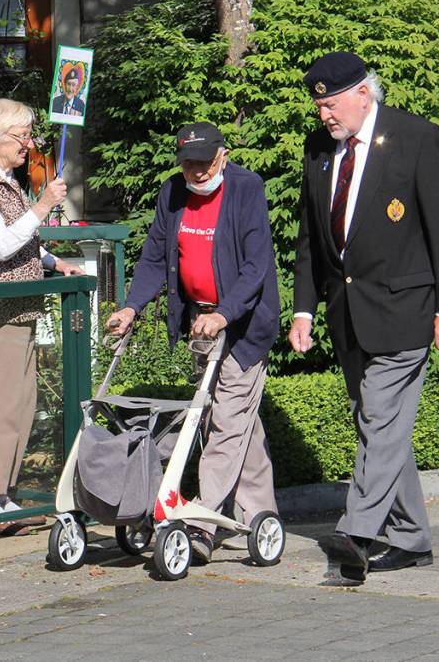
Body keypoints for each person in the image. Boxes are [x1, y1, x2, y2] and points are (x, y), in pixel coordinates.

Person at [289, 52, 439, 580]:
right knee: (380, 426)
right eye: (318, 104)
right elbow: (310, 239)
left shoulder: (416, 139)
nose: (324, 114)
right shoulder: (320, 148)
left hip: (406, 309)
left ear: (364, 93)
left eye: (331, 102)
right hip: (349, 315)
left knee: (380, 419)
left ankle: (358, 531)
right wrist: (305, 309)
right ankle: (411, 538)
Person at [107, 122, 281, 564]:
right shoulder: (173, 193)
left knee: (224, 421)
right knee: (237, 423)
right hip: (200, 324)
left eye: (204, 162)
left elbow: (256, 266)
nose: (197, 171)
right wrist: (131, 307)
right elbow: (153, 258)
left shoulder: (246, 189)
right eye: (189, 163)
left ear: (222, 156)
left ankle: (201, 524)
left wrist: (225, 312)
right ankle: (262, 516)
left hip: (241, 326)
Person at [0, 97, 84, 534]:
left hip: (18, 307)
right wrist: (41, 206)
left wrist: (51, 262)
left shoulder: (1, 178)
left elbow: (19, 240)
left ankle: (2, 495)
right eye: (22, 136)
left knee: (20, 407)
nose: (30, 144)